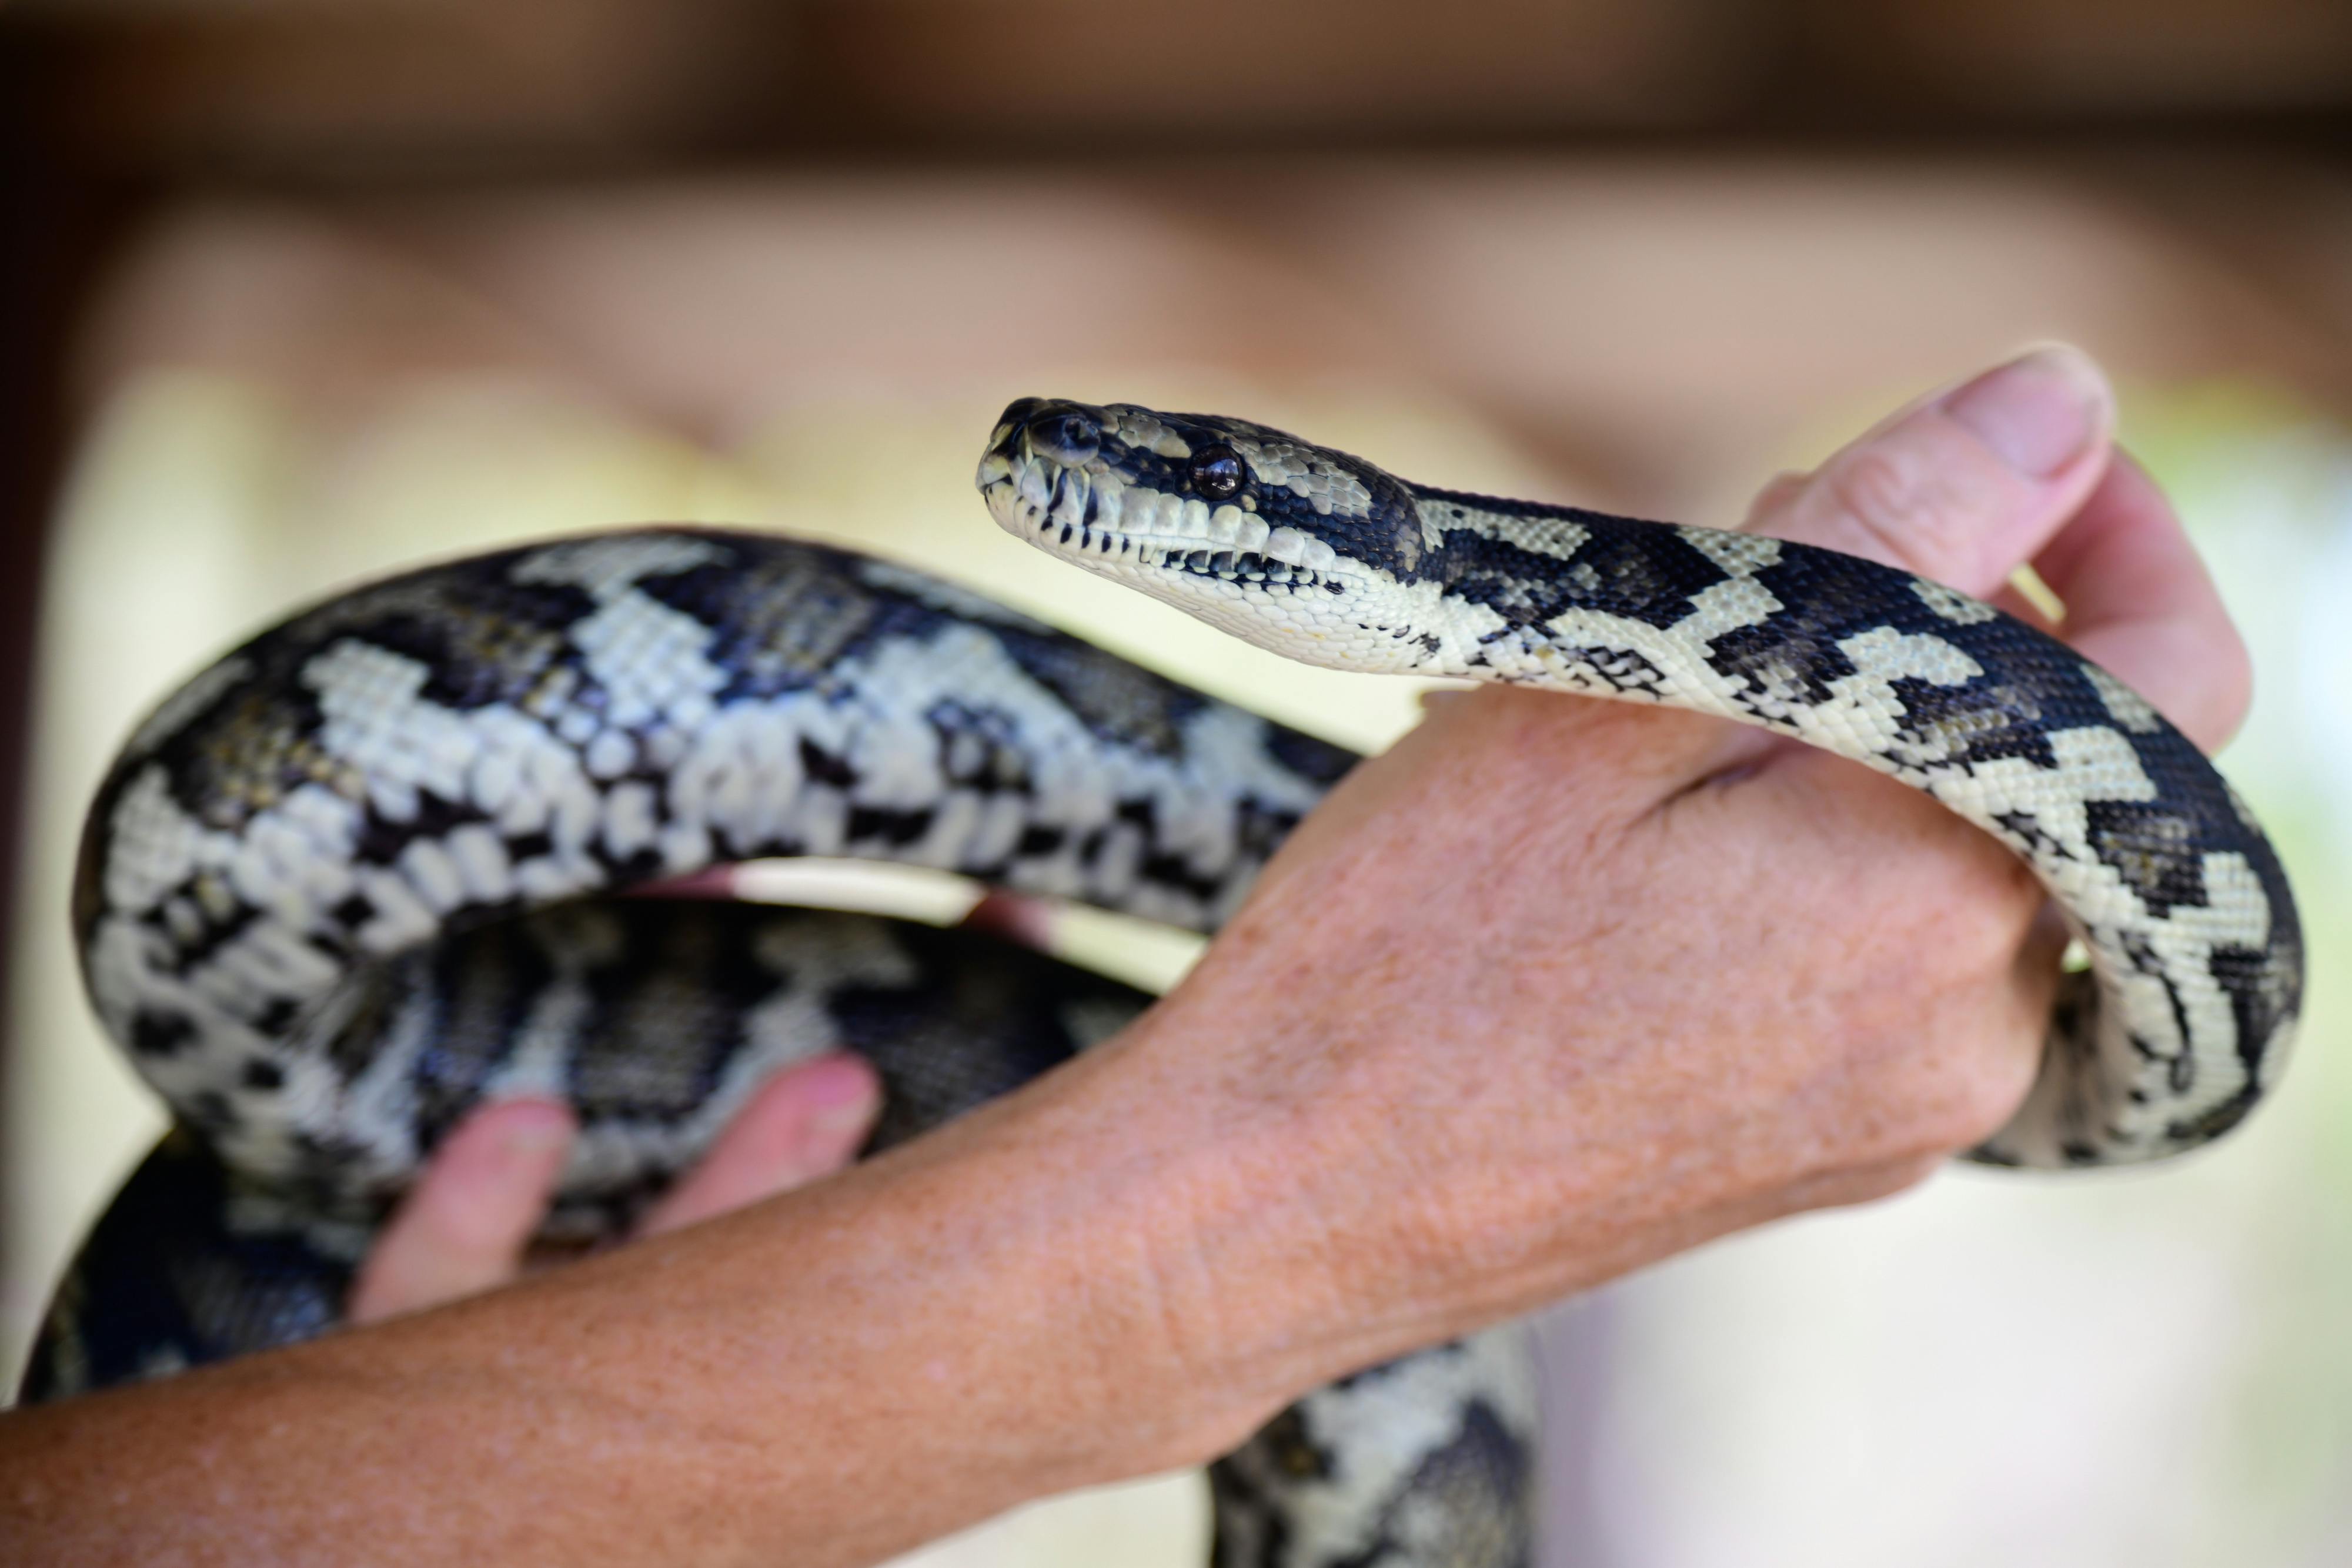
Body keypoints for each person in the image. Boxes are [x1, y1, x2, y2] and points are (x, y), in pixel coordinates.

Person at [0, 347, 2251, 1566]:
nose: (1082, 463)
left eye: (1176, 468)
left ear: (1334, 528)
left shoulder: (1555, 604)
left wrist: (573, 1466)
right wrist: (1308, 1179)